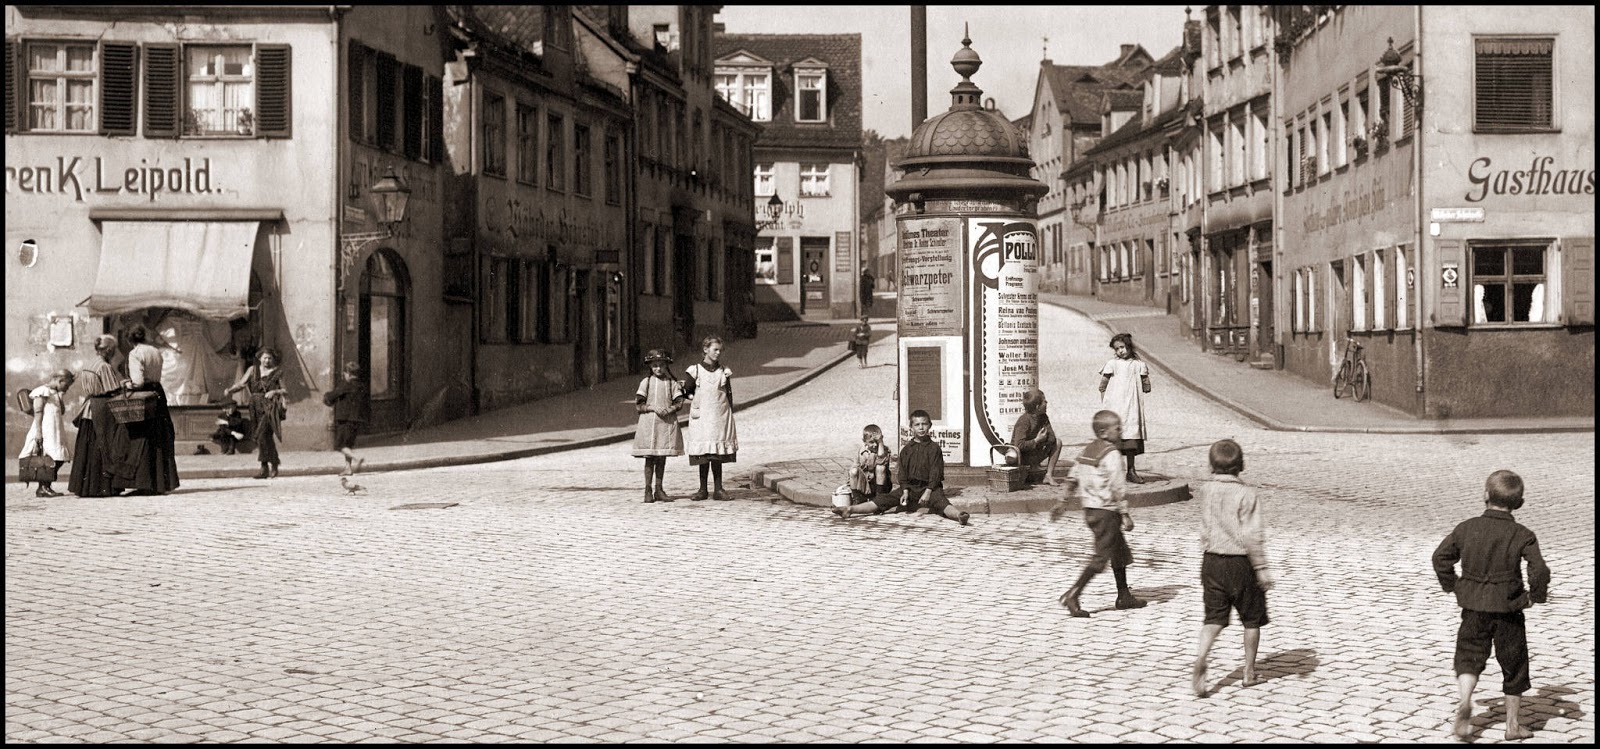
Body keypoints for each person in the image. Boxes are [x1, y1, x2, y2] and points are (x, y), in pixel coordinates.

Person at [1432, 470, 1549, 741]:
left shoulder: (1466, 528)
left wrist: (1454, 585)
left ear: (1485, 496)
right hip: (1508, 609)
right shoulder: (1523, 534)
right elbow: (1539, 569)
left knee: (1469, 655)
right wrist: (1536, 596)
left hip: (1473, 606)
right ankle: (1512, 725)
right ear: (1519, 503)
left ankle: (1465, 700)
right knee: (1514, 664)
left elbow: (1440, 558)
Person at [1190, 439, 1274, 698]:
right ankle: (1249, 672)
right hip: (1240, 563)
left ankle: (1202, 656)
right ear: (1242, 465)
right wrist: (1260, 567)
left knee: (1213, 618)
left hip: (1212, 560)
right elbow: (1252, 534)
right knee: (1251, 619)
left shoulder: (1206, 490)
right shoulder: (1247, 494)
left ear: (1210, 465)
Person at [1052, 410, 1145, 616]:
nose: (1121, 432)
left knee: (1119, 551)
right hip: (1108, 513)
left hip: (1091, 511)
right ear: (1104, 432)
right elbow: (1117, 487)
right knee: (1101, 557)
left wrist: (1062, 502)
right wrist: (1125, 514)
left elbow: (1072, 478)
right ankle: (1073, 594)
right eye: (1117, 429)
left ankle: (1124, 596)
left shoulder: (1086, 451)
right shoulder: (1111, 454)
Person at [110, 326, 180, 496]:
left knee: (138, 438)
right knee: (158, 436)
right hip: (157, 394)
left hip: (142, 396)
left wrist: (125, 383)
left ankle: (142, 482)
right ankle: (158, 483)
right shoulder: (155, 351)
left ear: (129, 340)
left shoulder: (135, 354)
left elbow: (138, 381)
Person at [877, 410, 969, 525]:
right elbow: (903, 474)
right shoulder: (906, 450)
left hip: (930, 489)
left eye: (924, 424)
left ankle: (959, 516)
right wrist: (905, 491)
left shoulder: (934, 449)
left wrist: (928, 491)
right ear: (911, 427)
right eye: (917, 425)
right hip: (910, 489)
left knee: (942, 502)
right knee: (885, 499)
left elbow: (936, 473)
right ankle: (851, 509)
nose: (921, 428)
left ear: (930, 425)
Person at [67, 335, 126, 498]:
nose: (114, 352)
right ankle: (102, 486)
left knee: (89, 446)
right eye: (113, 349)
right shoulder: (104, 366)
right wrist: (123, 385)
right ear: (108, 350)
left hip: (89, 406)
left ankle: (85, 486)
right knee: (104, 444)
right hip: (102, 409)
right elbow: (111, 389)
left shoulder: (88, 364)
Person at [681, 336, 738, 501]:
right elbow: (687, 391)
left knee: (716, 454)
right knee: (704, 453)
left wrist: (729, 415)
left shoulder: (724, 372)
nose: (718, 353)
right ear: (705, 349)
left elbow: (729, 394)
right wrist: (694, 398)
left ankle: (719, 489)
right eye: (715, 349)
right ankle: (702, 489)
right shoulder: (696, 371)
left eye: (720, 350)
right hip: (702, 418)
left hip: (719, 417)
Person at [225, 347, 288, 479]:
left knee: (261, 434)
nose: (267, 360)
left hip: (270, 407)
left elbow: (285, 391)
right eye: (265, 357)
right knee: (265, 437)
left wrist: (275, 392)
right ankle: (273, 463)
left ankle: (263, 467)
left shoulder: (277, 372)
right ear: (259, 358)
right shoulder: (253, 370)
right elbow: (241, 384)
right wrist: (231, 390)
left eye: (270, 358)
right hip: (254, 406)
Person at [632, 348, 685, 503]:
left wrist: (670, 409)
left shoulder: (671, 383)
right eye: (654, 366)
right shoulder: (646, 382)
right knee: (650, 457)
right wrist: (653, 408)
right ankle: (647, 489)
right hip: (649, 424)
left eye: (661, 365)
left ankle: (659, 489)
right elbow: (639, 404)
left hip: (665, 424)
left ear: (666, 366)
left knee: (661, 457)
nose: (658, 369)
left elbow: (679, 401)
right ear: (650, 367)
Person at [1098, 332, 1152, 483]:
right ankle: (1110, 472)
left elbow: (1146, 385)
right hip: (1116, 405)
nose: (1120, 351)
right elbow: (1103, 384)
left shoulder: (1138, 365)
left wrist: (1146, 382)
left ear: (1129, 346)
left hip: (1132, 407)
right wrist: (1104, 397)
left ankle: (1131, 470)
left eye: (1122, 347)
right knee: (1113, 438)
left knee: (1130, 439)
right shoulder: (1112, 364)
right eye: (1117, 349)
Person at [19, 369, 75, 497]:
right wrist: (39, 432)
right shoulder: (42, 391)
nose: (66, 388)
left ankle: (46, 486)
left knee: (57, 458)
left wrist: (60, 397)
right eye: (65, 385)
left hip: (55, 431)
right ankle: (43, 487)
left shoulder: (55, 393)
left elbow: (61, 411)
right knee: (47, 457)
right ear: (60, 380)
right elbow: (38, 412)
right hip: (45, 429)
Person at [830, 424, 897, 519]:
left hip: (881, 484)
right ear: (864, 442)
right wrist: (850, 485)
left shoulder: (884, 449)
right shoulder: (860, 452)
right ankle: (858, 499)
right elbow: (854, 469)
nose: (875, 445)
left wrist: (880, 443)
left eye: (876, 442)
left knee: (880, 468)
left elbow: (881, 459)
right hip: (865, 484)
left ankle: (879, 501)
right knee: (853, 471)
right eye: (871, 442)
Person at [321, 362, 370, 476]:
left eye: (345, 373)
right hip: (356, 419)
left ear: (348, 373)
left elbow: (331, 396)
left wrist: (326, 397)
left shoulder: (346, 385)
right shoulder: (362, 385)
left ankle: (357, 458)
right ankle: (348, 468)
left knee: (339, 445)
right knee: (348, 444)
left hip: (345, 419)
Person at [1010, 388, 1061, 485]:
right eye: (1044, 401)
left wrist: (1042, 439)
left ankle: (1048, 475)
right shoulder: (1024, 421)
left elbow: (1052, 439)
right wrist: (1037, 440)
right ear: (1038, 407)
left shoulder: (1043, 417)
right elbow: (1019, 445)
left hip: (1033, 453)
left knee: (1058, 442)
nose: (1047, 402)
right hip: (1021, 457)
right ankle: (1028, 471)